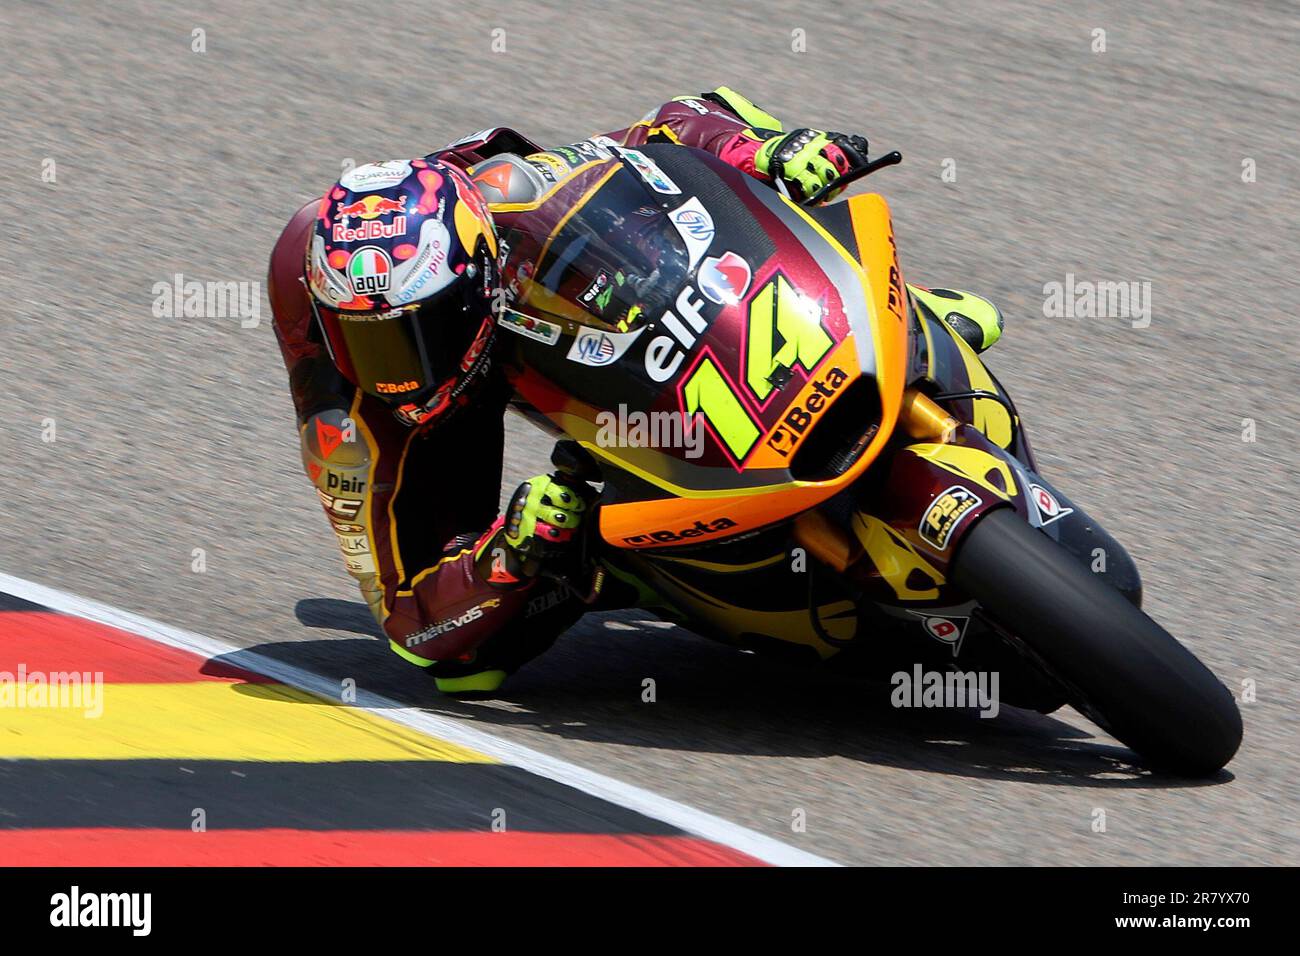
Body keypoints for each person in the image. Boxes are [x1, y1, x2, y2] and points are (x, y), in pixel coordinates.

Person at [266, 87, 1002, 695]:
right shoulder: (349, 396)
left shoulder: (507, 198)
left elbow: (670, 128)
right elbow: (410, 624)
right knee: (469, 667)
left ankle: (879, 309)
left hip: (511, 295)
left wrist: (766, 153)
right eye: (376, 342)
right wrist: (509, 557)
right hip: (402, 403)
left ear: (478, 276)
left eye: (422, 332)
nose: (405, 366)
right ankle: (625, 565)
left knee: (673, 236)